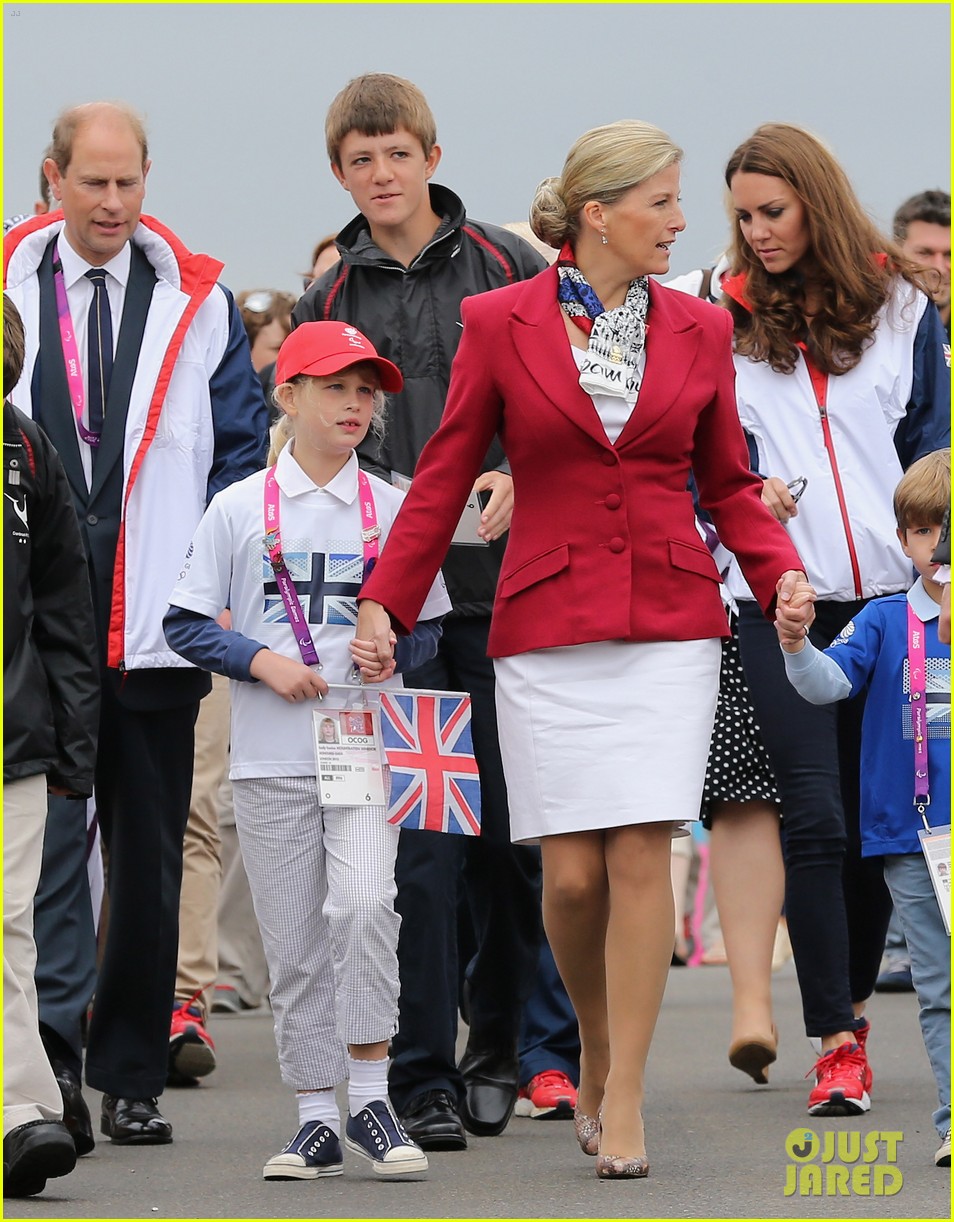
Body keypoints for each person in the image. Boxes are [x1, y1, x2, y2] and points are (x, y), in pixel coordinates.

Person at [354, 119, 806, 1179]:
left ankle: (629, 1089)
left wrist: (779, 567)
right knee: (567, 880)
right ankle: (595, 1050)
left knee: (642, 853)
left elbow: (730, 483)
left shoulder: (698, 327)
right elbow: (442, 473)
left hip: (669, 625)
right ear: (600, 212)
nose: (683, 221)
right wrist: (388, 599)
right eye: (663, 201)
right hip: (547, 625)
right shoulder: (499, 320)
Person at [3, 100, 268, 1145]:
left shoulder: (194, 300)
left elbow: (240, 451)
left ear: (147, 179)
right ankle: (47, 1068)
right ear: (53, 179)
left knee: (152, 849)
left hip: (156, 609)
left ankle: (132, 1069)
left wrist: (208, 576)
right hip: (42, 619)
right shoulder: (13, 281)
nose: (112, 204)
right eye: (93, 183)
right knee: (49, 851)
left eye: (129, 183)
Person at [293, 73, 548, 1150]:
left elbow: (571, 396)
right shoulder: (327, 296)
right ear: (340, 171)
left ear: (430, 156)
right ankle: (425, 1071)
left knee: (516, 835)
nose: (381, 174)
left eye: (397, 153)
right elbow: (306, 449)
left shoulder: (509, 263)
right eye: (361, 160)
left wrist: (521, 469)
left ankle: (524, 1051)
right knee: (425, 844)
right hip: (397, 619)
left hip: (514, 591)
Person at [164, 321, 451, 1180]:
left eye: (367, 391)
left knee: (365, 908)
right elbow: (182, 622)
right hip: (267, 753)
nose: (356, 405)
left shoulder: (395, 506)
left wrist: (396, 650)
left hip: (367, 742)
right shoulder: (238, 507)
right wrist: (259, 660)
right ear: (287, 396)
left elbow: (433, 624)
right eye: (335, 387)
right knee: (293, 940)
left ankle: (372, 1097)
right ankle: (314, 1116)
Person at [721, 122, 950, 1115]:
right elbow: (709, 464)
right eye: (743, 216)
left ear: (816, 199)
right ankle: (836, 1040)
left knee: (869, 828)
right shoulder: (720, 315)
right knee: (812, 818)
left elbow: (934, 447)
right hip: (781, 597)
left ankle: (850, 999)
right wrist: (747, 500)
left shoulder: (905, 302)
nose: (758, 232)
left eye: (773, 210)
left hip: (893, 604)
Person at [776, 447, 951, 1168]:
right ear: (904, 539)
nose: (940, 547)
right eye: (925, 530)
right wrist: (794, 644)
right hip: (911, 837)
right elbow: (826, 686)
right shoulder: (882, 620)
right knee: (939, 986)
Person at [3, 295, 98, 1198]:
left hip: (15, 738)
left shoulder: (27, 451)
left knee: (7, 931)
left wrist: (75, 746)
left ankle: (21, 1115)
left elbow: (67, 612)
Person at [893, 190, 950, 337]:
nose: (939, 268)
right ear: (896, 253)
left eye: (949, 255)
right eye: (924, 253)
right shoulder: (869, 327)